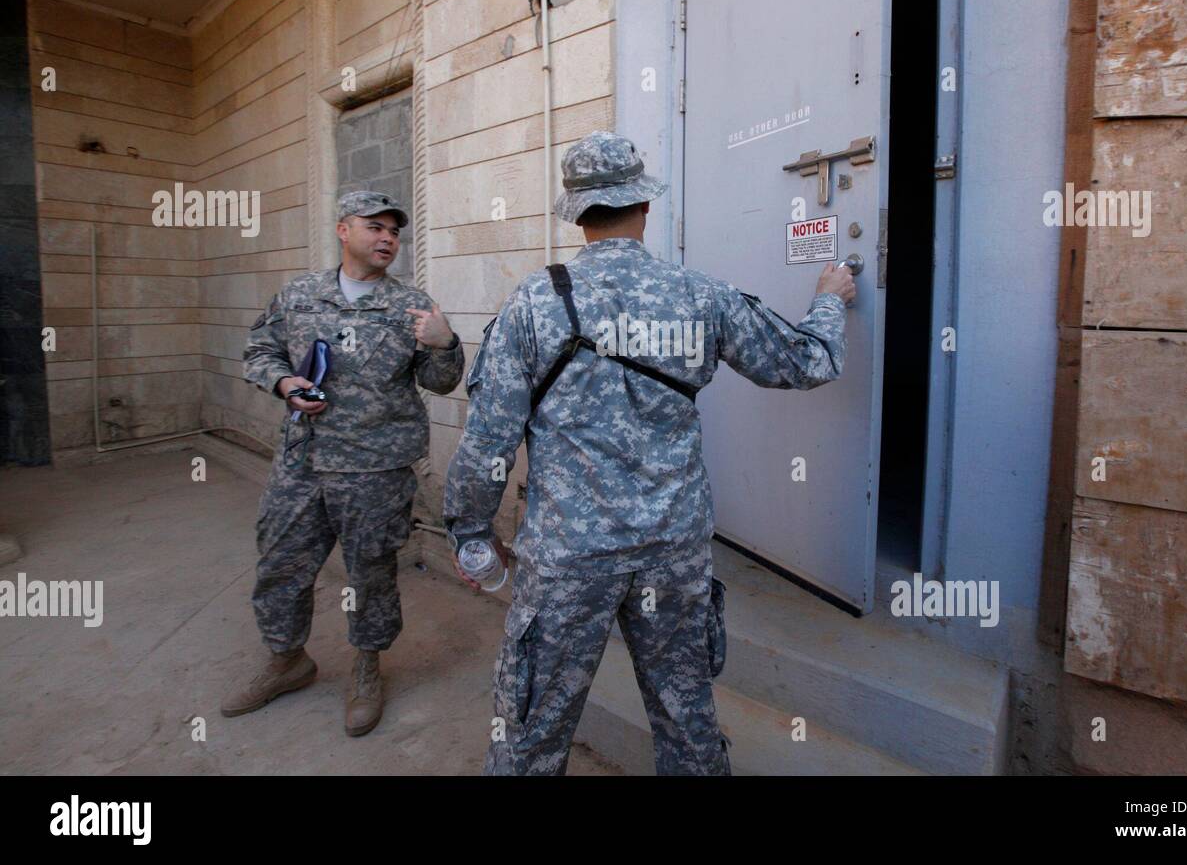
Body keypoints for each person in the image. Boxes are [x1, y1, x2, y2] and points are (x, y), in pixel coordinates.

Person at [443, 131, 856, 774]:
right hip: (673, 547)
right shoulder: (698, 295)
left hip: (569, 558)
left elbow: (489, 442)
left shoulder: (533, 303)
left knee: (531, 730)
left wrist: (472, 532)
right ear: (644, 206)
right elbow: (806, 361)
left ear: (577, 213)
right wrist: (830, 299)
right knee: (686, 718)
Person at [222, 190, 464, 737]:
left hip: (376, 467)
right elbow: (260, 350)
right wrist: (285, 383)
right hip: (303, 460)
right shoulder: (299, 294)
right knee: (280, 562)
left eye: (394, 232)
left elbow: (441, 381)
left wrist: (445, 343)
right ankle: (287, 660)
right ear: (343, 230)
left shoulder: (413, 304)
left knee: (371, 572)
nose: (387, 239)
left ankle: (366, 669)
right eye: (375, 227)